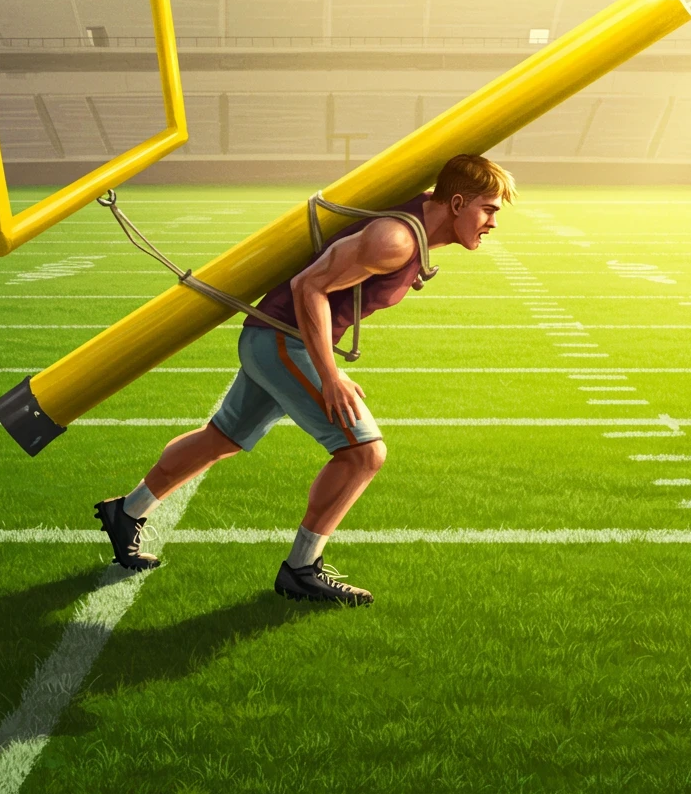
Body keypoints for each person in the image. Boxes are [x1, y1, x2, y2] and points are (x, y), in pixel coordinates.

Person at [95, 154, 516, 605]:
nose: (493, 222)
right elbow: (308, 286)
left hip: (274, 340)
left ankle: (126, 511)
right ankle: (301, 569)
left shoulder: (415, 235)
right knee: (364, 453)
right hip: (283, 340)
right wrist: (330, 377)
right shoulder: (395, 240)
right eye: (489, 209)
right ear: (457, 202)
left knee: (222, 439)